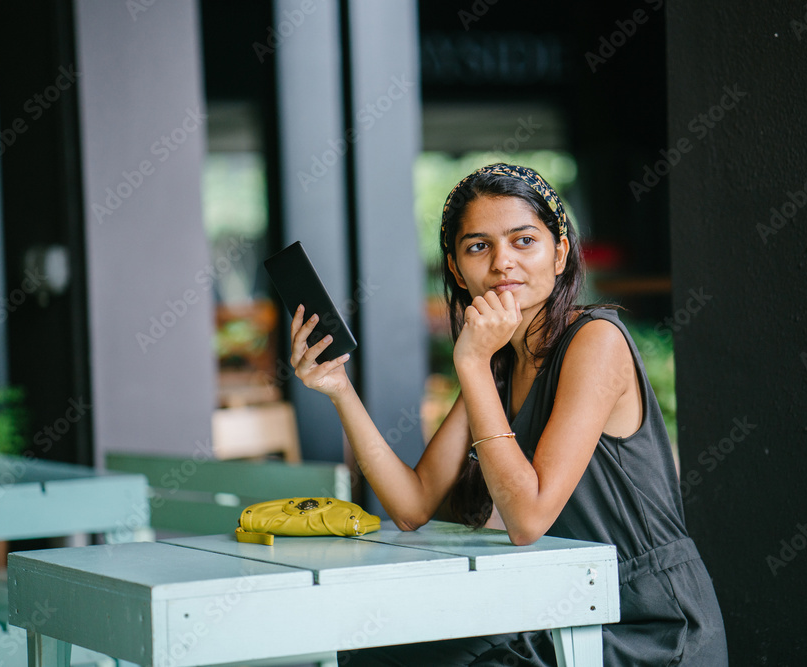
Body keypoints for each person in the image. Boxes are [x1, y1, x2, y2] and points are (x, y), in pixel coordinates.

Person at [289, 163, 728, 666]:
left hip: (648, 621)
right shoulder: (499, 361)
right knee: (374, 653)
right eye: (478, 246)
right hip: (563, 606)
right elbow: (412, 506)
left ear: (560, 253)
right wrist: (339, 390)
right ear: (455, 269)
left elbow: (527, 519)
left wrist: (472, 363)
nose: (502, 263)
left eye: (524, 241)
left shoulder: (595, 341)